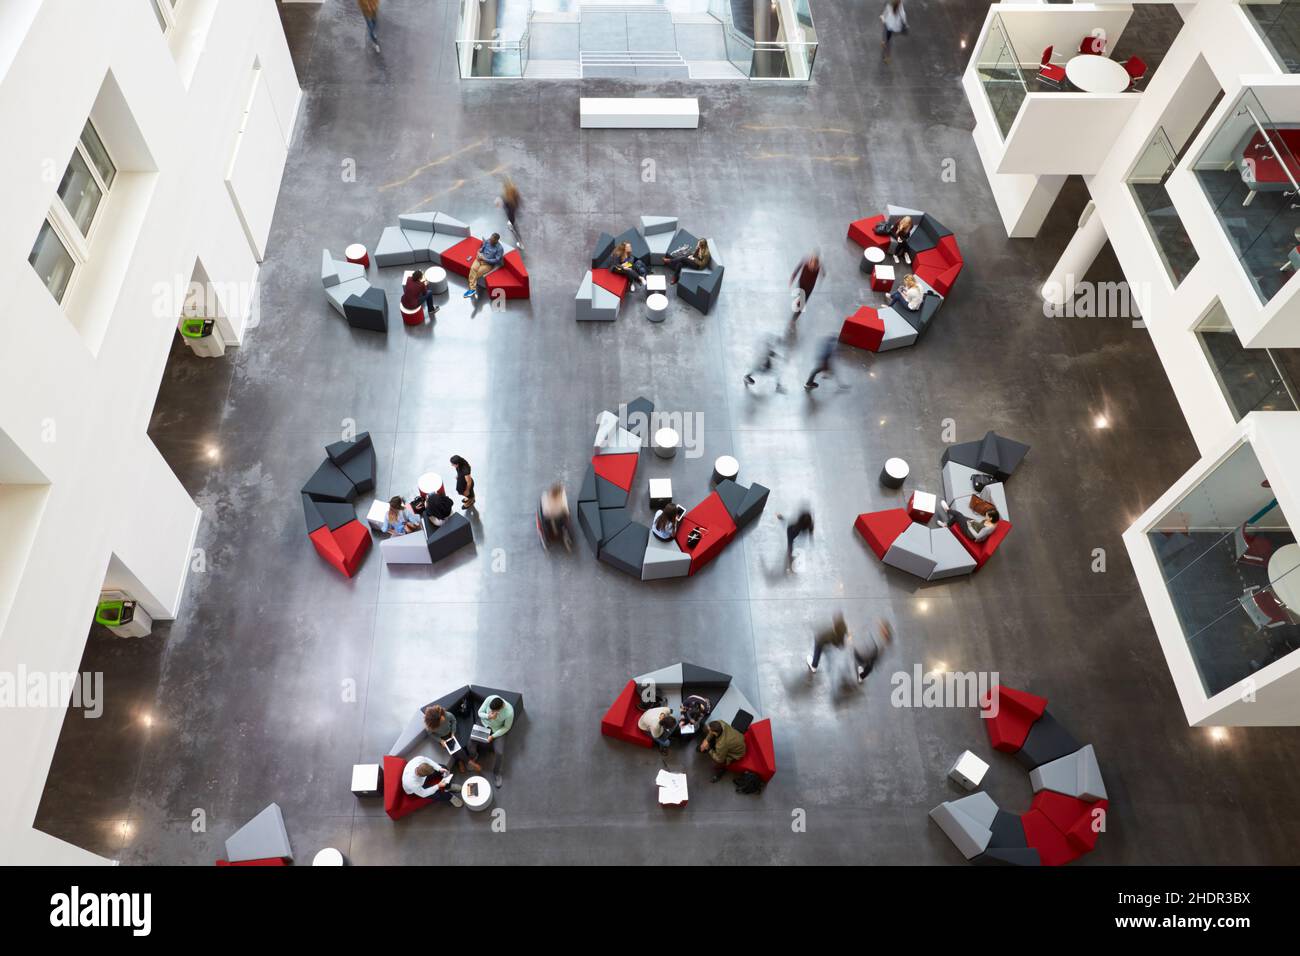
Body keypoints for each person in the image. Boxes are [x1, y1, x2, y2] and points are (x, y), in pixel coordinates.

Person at [468, 695, 513, 787]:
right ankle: (474, 756)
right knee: (470, 742)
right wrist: (488, 716)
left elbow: (506, 727)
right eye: (490, 710)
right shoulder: (490, 699)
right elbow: (480, 712)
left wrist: (493, 736)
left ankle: (497, 773)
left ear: (501, 708)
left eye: (494, 711)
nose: (492, 712)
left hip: (497, 729)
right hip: (483, 723)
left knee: (499, 752)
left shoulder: (509, 712)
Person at [423, 704, 477, 773]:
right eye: (441, 719)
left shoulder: (447, 715)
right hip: (443, 738)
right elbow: (431, 734)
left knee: (458, 748)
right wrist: (440, 740)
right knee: (451, 750)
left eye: (442, 716)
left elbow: (454, 720)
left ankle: (467, 761)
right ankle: (462, 762)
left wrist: (453, 732)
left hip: (451, 733)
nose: (443, 718)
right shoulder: (431, 727)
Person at [849, 620, 893, 684]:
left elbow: (876, 656)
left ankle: (860, 677)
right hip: (864, 656)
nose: (882, 630)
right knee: (863, 666)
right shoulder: (881, 641)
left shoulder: (882, 645)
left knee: (866, 667)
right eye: (883, 629)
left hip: (866, 657)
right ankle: (860, 677)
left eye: (884, 630)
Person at [464, 233, 505, 299]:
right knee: (473, 268)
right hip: (479, 259)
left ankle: (471, 289)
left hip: (488, 264)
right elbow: (481, 249)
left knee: (477, 273)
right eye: (490, 239)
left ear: (496, 241)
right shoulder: (487, 241)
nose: (490, 241)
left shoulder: (500, 249)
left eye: (492, 240)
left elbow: (496, 260)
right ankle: (472, 289)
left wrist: (485, 259)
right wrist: (479, 252)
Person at [790, 251, 824, 321]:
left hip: (809, 287)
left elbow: (824, 273)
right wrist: (792, 278)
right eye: (812, 265)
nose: (813, 267)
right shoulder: (805, 263)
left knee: (803, 303)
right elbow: (797, 269)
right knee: (800, 298)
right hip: (801, 284)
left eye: (814, 266)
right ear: (810, 262)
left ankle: (795, 317)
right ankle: (798, 304)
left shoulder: (818, 267)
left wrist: (822, 274)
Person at [540, 482, 572, 551]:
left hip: (550, 516)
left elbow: (545, 512)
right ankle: (565, 531)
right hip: (557, 516)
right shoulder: (562, 497)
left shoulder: (545, 496)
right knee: (567, 514)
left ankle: (549, 534)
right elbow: (565, 509)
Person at [499, 179, 522, 246]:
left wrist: (502, 203)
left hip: (510, 213)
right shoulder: (514, 194)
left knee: (513, 225)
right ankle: (518, 238)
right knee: (512, 221)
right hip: (512, 210)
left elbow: (505, 205)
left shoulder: (507, 198)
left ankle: (519, 240)